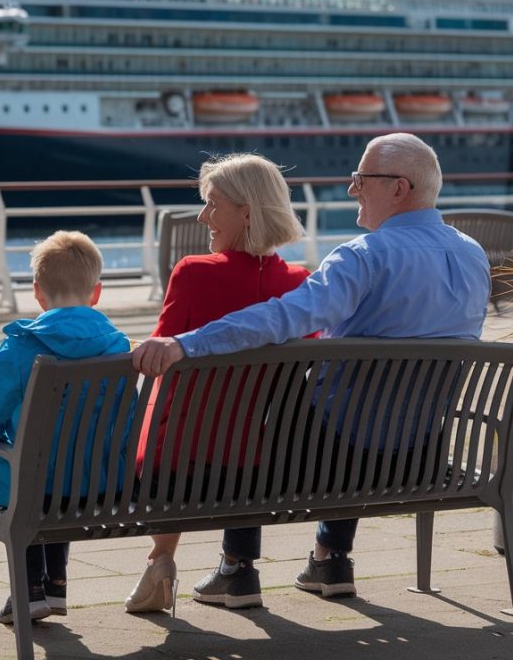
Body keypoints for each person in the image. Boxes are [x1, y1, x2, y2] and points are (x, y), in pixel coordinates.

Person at [132, 132, 490, 606]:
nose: (352, 190)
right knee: (363, 403)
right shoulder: (473, 254)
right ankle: (330, 557)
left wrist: (186, 343)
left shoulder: (365, 256)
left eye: (362, 179)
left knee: (284, 398)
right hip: (420, 456)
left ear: (399, 188)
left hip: (324, 461)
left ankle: (238, 566)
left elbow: (283, 316)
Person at [124, 153, 311, 614]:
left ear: (247, 210)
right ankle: (239, 568)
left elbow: (158, 354)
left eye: (213, 204)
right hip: (257, 465)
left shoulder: (194, 272)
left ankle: (161, 558)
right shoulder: (301, 284)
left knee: (169, 419)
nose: (205, 216)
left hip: (174, 466)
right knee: (238, 423)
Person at [0, 230, 130, 625]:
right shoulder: (118, 346)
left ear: (38, 292)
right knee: (65, 460)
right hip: (97, 483)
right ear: (97, 292)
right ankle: (55, 582)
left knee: (18, 463)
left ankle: (29, 590)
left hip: (35, 486)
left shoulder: (22, 346)